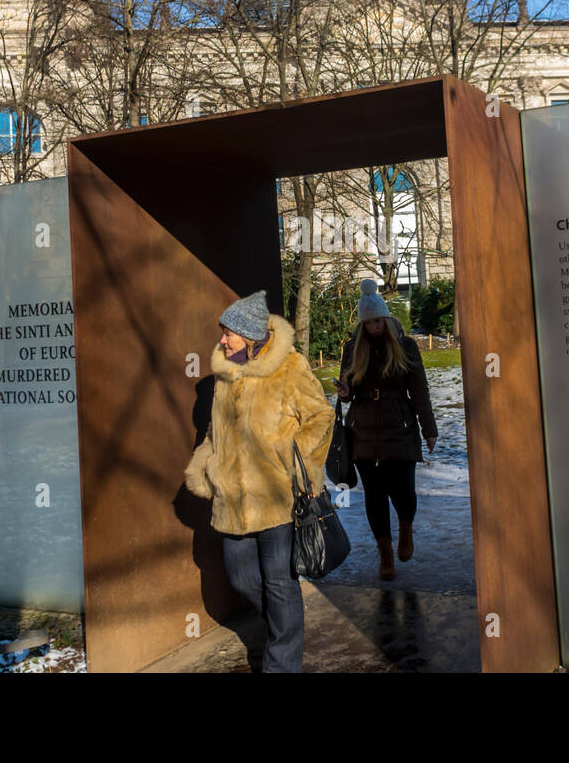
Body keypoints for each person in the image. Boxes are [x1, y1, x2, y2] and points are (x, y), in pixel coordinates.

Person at [182, 290, 335, 673]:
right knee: (243, 579)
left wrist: (294, 462)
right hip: (232, 498)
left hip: (276, 494)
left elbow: (321, 417)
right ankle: (286, 629)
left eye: (229, 333)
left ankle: (282, 662)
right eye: (224, 333)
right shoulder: (226, 373)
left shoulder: (290, 366)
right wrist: (206, 466)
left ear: (249, 334)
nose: (223, 340)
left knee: (280, 584)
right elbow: (215, 433)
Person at [334, 280, 437, 581]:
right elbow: (348, 389)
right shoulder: (353, 349)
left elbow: (419, 390)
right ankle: (385, 554)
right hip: (363, 431)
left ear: (386, 319)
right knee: (375, 496)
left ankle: (406, 528)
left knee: (404, 490)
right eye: (368, 323)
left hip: (399, 426)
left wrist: (428, 428)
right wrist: (344, 392)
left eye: (378, 321)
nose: (374, 327)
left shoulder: (405, 346)